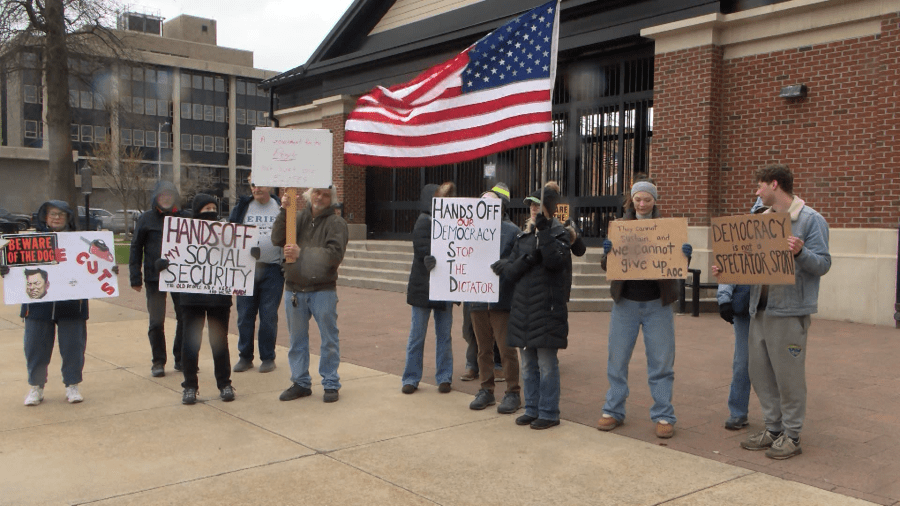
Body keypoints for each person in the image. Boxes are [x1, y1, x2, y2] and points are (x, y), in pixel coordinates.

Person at [715, 164, 831, 460]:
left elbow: (823, 264)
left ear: (774, 185)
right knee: (761, 374)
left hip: (790, 312)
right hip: (759, 310)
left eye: (760, 186)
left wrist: (801, 253)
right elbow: (751, 263)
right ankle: (774, 428)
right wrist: (727, 270)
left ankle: (792, 435)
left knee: (789, 377)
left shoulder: (810, 220)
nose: (757, 192)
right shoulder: (760, 221)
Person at [597, 178, 693, 439]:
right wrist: (607, 254)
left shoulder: (667, 229)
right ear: (632, 200)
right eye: (638, 199)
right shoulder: (621, 227)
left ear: (654, 201)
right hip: (625, 303)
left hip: (657, 305)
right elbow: (608, 267)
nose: (642, 203)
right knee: (617, 360)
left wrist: (685, 255)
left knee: (662, 362)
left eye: (647, 199)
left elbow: (675, 265)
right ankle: (613, 409)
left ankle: (664, 414)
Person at [492, 186, 571, 430]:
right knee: (527, 364)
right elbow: (512, 272)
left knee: (547, 365)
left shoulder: (561, 235)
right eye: (531, 205)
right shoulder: (523, 237)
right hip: (523, 309)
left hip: (546, 310)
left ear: (550, 208)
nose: (534, 209)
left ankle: (548, 411)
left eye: (539, 205)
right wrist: (526, 259)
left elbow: (554, 261)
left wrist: (545, 234)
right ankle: (532, 408)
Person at [272, 186, 348, 403]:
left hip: (322, 290)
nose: (320, 198)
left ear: (331, 199)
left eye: (325, 195)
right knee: (296, 340)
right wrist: (283, 211)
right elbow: (277, 238)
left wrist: (301, 253)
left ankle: (331, 382)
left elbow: (334, 255)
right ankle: (300, 382)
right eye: (317, 193)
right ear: (309, 194)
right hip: (294, 288)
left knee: (329, 339)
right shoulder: (296, 217)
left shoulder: (336, 224)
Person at [164, 194, 236, 405]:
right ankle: (189, 386)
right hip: (191, 297)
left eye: (214, 208)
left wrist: (250, 255)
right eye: (206, 209)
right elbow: (172, 256)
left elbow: (237, 257)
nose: (210, 212)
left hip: (218, 297)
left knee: (220, 343)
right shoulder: (183, 235)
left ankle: (224, 384)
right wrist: (162, 264)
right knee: (190, 343)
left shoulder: (227, 234)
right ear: (196, 212)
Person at [19, 200, 89, 405]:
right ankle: (36, 387)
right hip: (38, 306)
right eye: (52, 214)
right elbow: (14, 266)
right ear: (44, 217)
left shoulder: (81, 241)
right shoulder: (30, 242)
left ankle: (72, 385)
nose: (56, 217)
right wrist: (6, 268)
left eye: (61, 214)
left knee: (73, 348)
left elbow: (95, 268)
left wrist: (107, 271)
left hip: (72, 305)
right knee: (35, 348)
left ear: (68, 217)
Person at [467, 183, 522, 414]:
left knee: (506, 348)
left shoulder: (512, 231)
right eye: (482, 201)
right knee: (483, 348)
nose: (485, 206)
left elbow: (519, 261)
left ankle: (512, 392)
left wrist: (508, 263)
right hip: (477, 298)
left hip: (501, 298)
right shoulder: (469, 227)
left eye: (490, 202)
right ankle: (486, 390)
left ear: (501, 206)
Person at [716, 197, 767, 431]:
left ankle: (776, 417)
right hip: (745, 309)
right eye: (759, 213)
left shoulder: (784, 241)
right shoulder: (741, 239)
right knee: (742, 363)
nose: (763, 217)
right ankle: (738, 412)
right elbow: (728, 268)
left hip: (772, 310)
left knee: (773, 366)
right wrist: (724, 298)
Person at [401, 182, 456, 395]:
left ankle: (444, 377)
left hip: (443, 288)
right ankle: (411, 377)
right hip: (424, 288)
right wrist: (428, 258)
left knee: (444, 335)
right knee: (418, 335)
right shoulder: (424, 221)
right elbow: (421, 248)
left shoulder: (452, 222)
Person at [130, 181, 188, 377]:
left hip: (180, 277)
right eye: (162, 195)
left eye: (169, 195)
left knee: (184, 318)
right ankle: (158, 361)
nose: (165, 198)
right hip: (154, 279)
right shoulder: (146, 219)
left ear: (175, 198)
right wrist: (135, 276)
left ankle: (180, 358)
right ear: (156, 197)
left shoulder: (183, 218)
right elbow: (136, 247)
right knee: (156, 322)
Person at [229, 174, 283, 374]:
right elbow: (230, 234)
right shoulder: (243, 207)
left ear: (269, 185)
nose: (255, 188)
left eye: (259, 184)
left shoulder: (280, 207)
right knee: (245, 315)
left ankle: (268, 357)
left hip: (273, 270)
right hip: (246, 269)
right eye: (252, 184)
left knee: (268, 316)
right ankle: (245, 357)